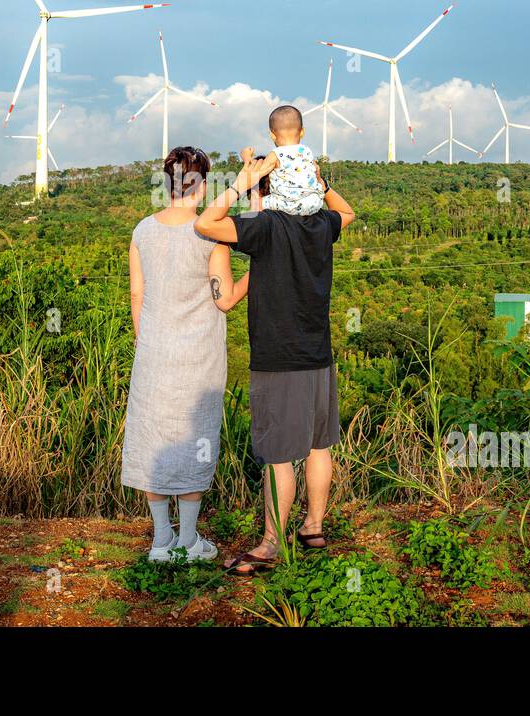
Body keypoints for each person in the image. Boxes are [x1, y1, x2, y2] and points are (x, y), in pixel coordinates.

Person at [195, 106, 356, 574]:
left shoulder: (264, 228)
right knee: (319, 447)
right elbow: (347, 211)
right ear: (302, 139)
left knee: (279, 456)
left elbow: (206, 224)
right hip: (319, 354)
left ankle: (270, 544)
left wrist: (243, 181)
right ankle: (314, 525)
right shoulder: (321, 227)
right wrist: (320, 184)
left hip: (277, 356)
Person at [123, 146, 249, 562]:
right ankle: (191, 540)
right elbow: (226, 299)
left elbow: (137, 293)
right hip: (199, 356)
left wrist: (148, 342)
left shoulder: (142, 231)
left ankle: (162, 540)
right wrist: (261, 271)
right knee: (196, 437)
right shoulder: (210, 232)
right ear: (203, 184)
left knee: (154, 437)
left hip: (154, 352)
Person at [241, 105, 325, 215]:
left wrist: (246, 157)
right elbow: (316, 170)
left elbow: (256, 172)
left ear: (272, 135)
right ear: (302, 132)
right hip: (314, 204)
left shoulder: (275, 155)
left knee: (257, 204)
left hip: (286, 206)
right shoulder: (308, 152)